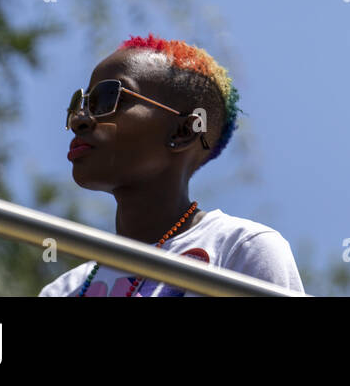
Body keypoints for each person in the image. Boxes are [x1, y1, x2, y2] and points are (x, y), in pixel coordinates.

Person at [40, 34, 306, 296]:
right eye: (80, 104)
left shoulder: (240, 250)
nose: (80, 120)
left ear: (182, 132)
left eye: (109, 98)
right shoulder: (64, 290)